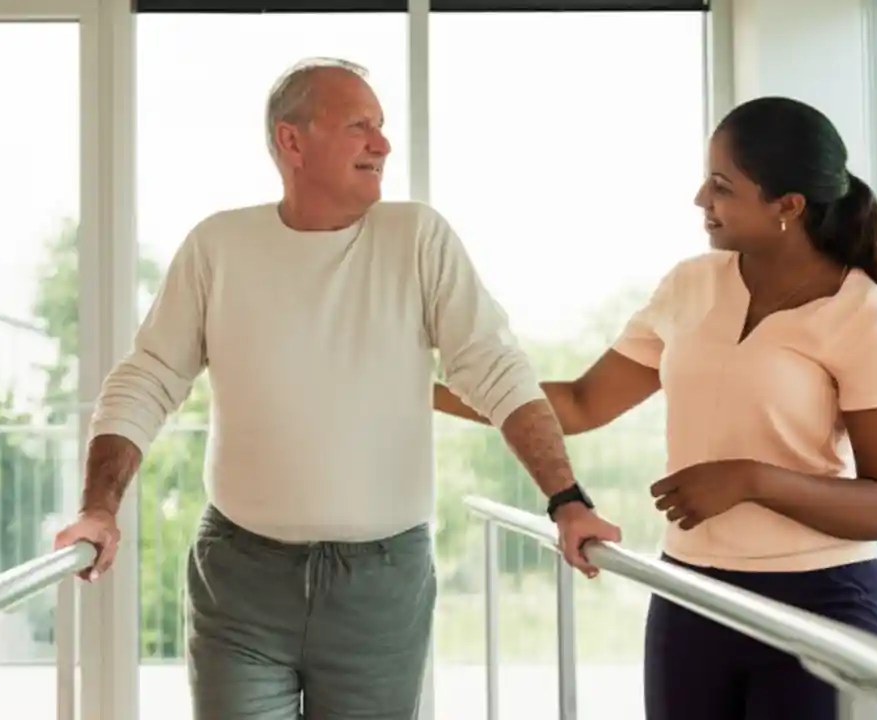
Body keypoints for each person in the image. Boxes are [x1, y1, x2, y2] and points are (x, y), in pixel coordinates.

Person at [52, 57, 621, 719]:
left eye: (380, 127)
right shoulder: (219, 245)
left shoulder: (416, 237)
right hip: (241, 577)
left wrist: (568, 501)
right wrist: (99, 507)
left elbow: (495, 372)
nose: (382, 144)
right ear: (292, 142)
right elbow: (147, 378)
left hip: (380, 586)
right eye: (359, 127)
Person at [434, 96, 877, 720]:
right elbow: (583, 403)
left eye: (722, 186)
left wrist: (749, 480)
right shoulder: (692, 284)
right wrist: (418, 391)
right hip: (690, 597)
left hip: (822, 606)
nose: (701, 199)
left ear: (789, 206)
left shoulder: (866, 315)